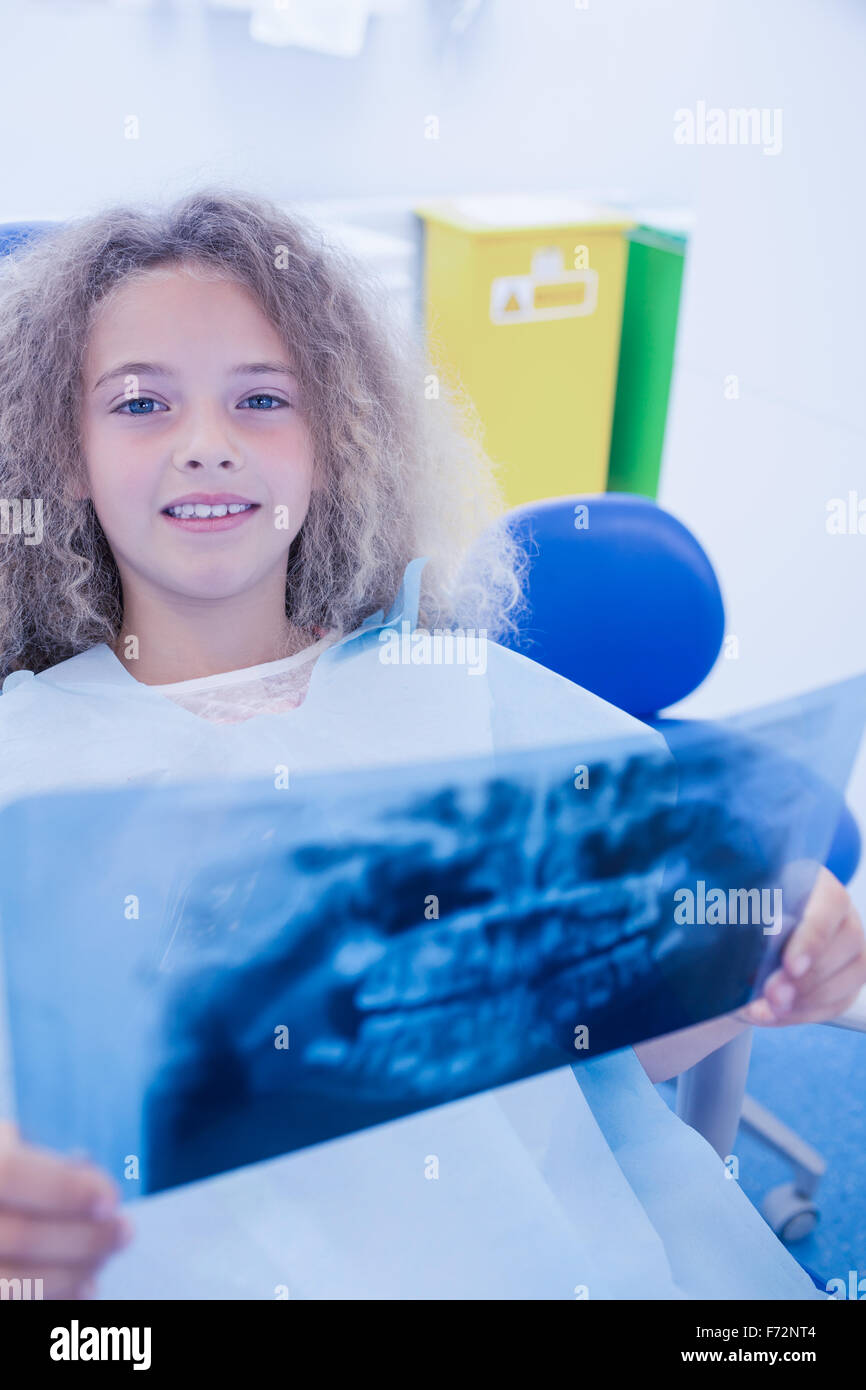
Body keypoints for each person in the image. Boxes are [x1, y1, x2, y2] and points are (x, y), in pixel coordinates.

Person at [0, 189, 863, 1300]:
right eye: (140, 404)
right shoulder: (22, 754)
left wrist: (761, 965)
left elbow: (616, 1051)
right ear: (62, 450)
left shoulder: (468, 698)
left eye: (262, 398)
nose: (206, 446)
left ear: (333, 438)